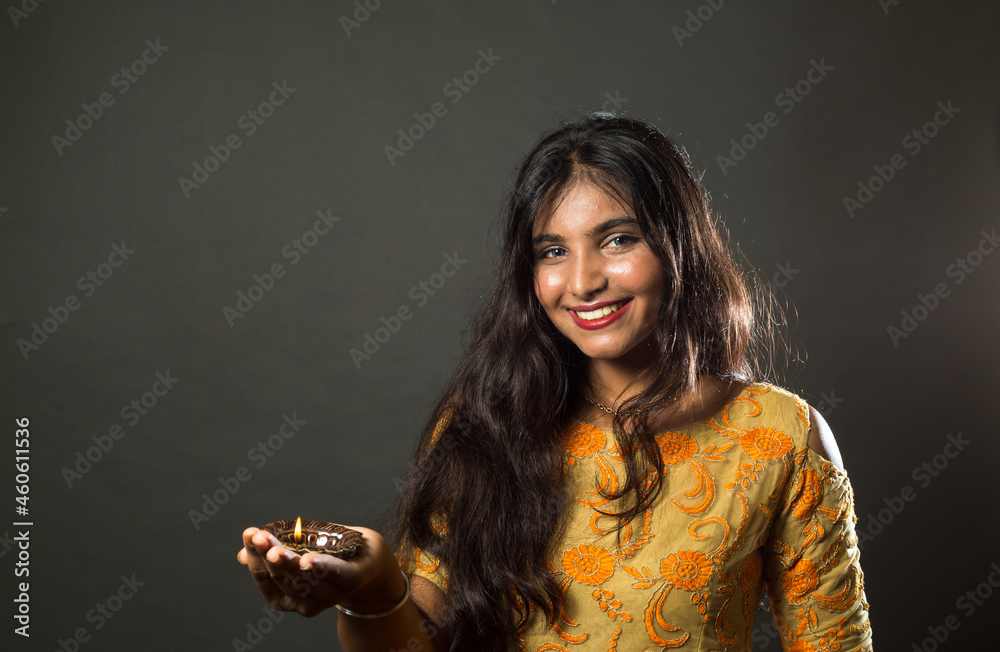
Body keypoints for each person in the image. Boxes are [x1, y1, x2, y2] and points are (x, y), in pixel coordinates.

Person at [237, 113, 874, 651]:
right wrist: (372, 586)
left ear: (680, 246)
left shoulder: (777, 436)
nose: (583, 282)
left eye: (618, 239)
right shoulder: (488, 419)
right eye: (552, 251)